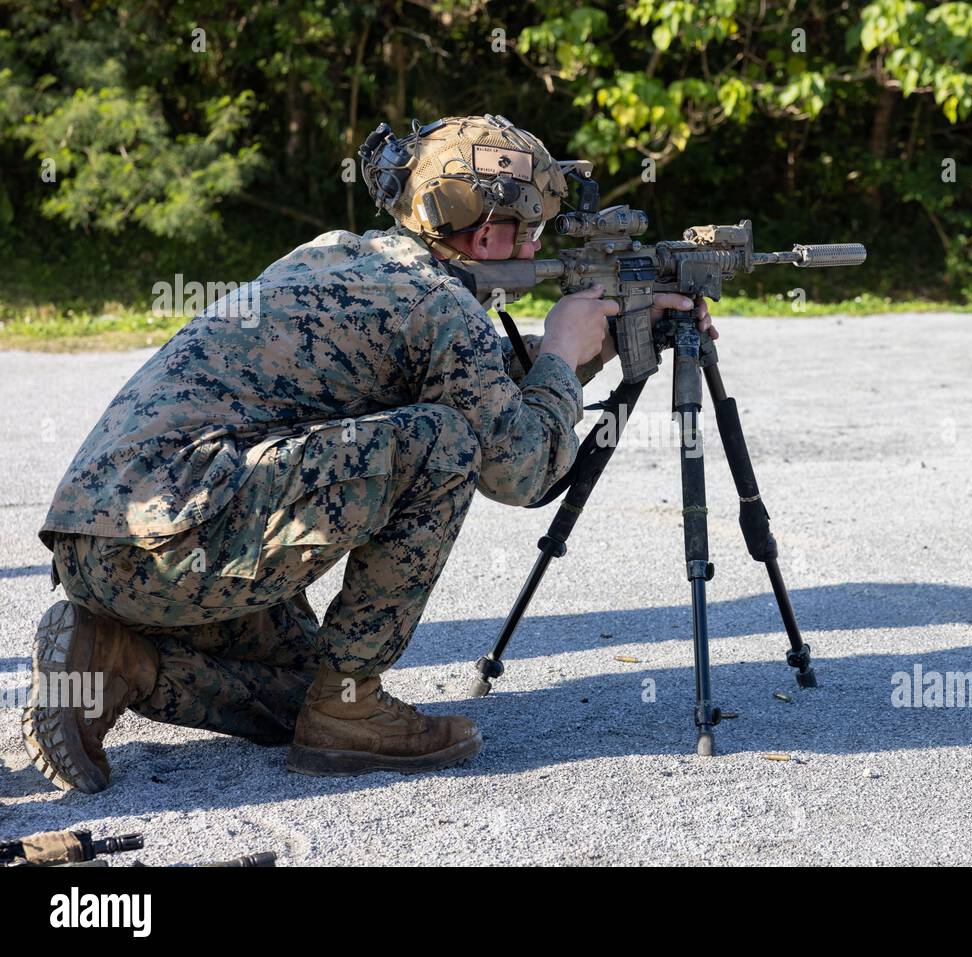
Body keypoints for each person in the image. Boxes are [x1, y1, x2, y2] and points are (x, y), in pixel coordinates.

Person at [23, 114, 716, 793]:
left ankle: (113, 658)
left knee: (306, 687)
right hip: (180, 539)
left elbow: (466, 382)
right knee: (440, 444)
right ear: (486, 230)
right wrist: (561, 353)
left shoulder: (336, 255)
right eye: (530, 230)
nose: (537, 247)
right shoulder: (441, 305)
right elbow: (519, 467)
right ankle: (349, 715)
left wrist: (586, 349)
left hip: (111, 545)